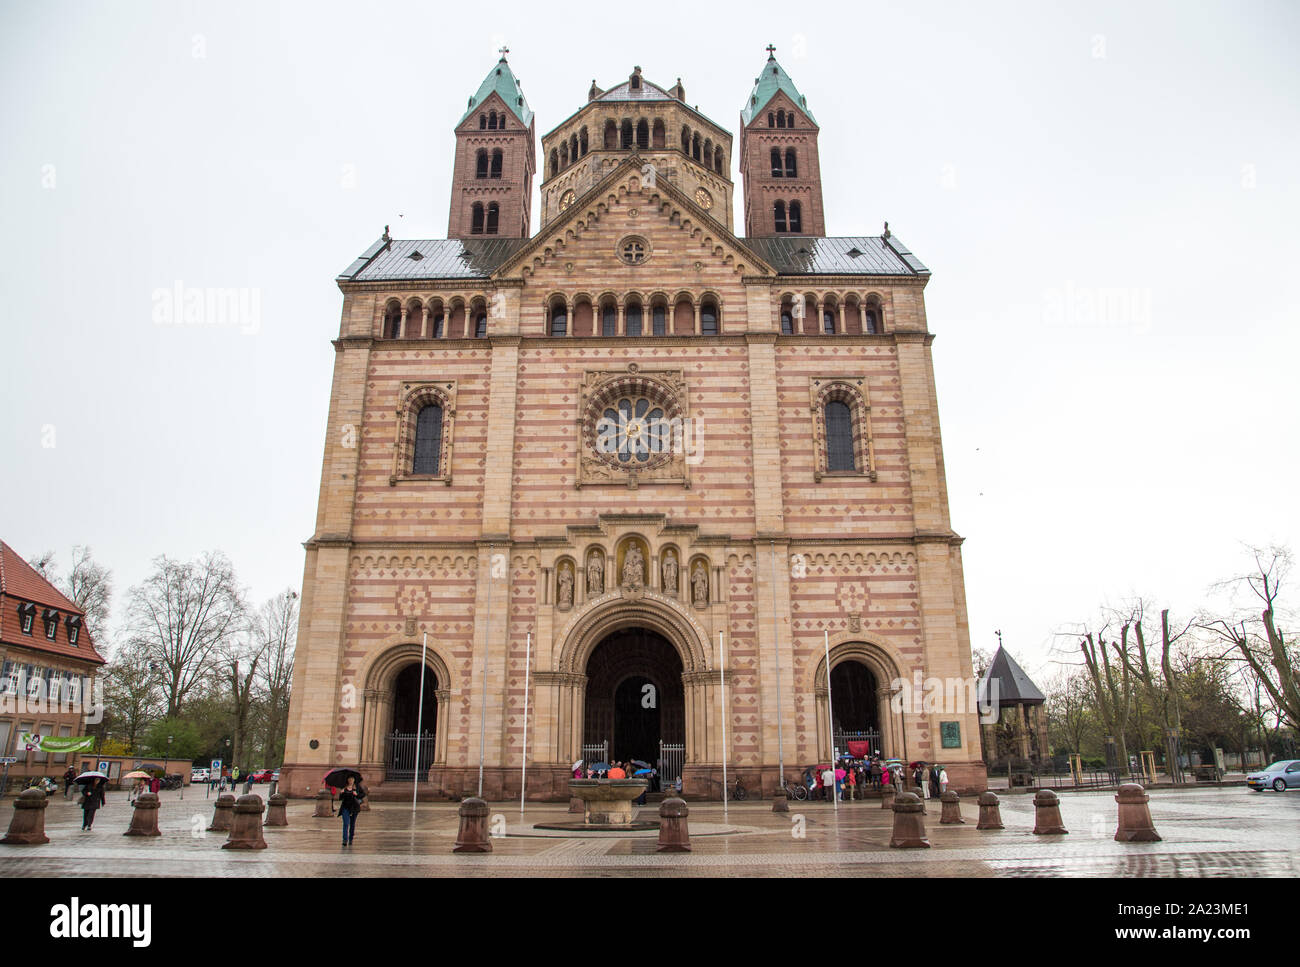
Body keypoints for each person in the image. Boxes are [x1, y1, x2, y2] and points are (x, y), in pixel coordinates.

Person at [338, 776, 364, 846]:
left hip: (354, 808)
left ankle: (351, 838)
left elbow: (363, 794)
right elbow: (340, 798)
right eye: (349, 779)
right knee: (346, 823)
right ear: (347, 780)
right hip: (345, 808)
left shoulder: (357, 787)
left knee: (352, 824)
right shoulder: (344, 787)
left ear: (354, 780)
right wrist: (341, 793)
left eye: (352, 779)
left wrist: (357, 794)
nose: (351, 780)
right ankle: (344, 840)